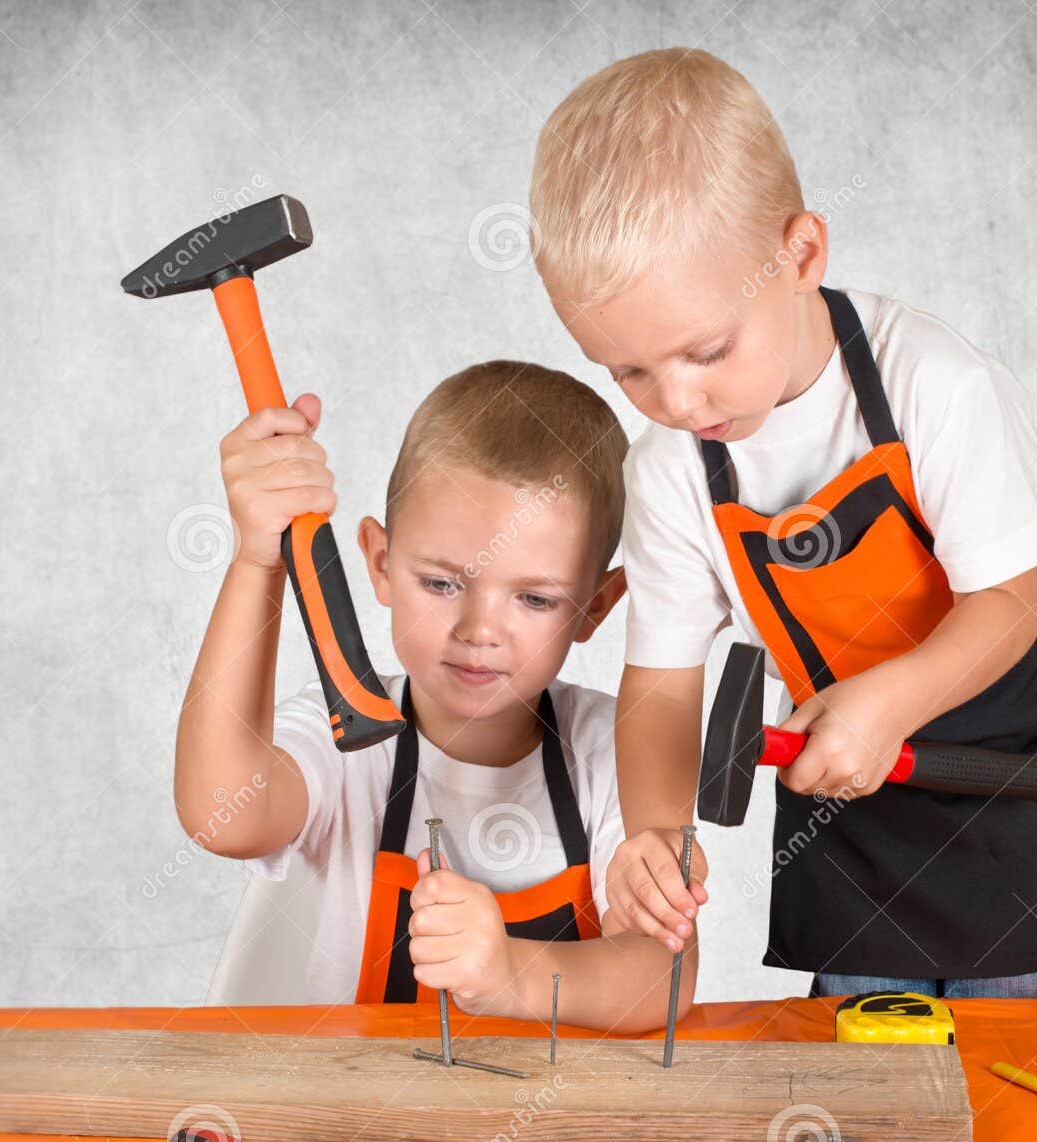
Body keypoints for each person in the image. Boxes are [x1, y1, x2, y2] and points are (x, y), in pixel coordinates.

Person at [528, 49, 1037, 999]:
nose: (679, 398)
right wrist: (655, 834)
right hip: (858, 803)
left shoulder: (932, 384)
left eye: (705, 350)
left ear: (800, 256)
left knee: (1036, 1075)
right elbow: (660, 685)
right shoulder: (667, 474)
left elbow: (1008, 611)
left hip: (1032, 781)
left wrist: (889, 704)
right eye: (630, 372)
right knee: (865, 1089)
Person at [175, 359, 697, 1028]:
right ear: (381, 563)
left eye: (535, 598)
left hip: (565, 1129)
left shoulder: (611, 749)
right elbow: (222, 814)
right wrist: (258, 558)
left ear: (595, 607)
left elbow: (664, 976)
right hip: (358, 1124)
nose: (480, 630)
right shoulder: (348, 736)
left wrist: (510, 974)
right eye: (443, 584)